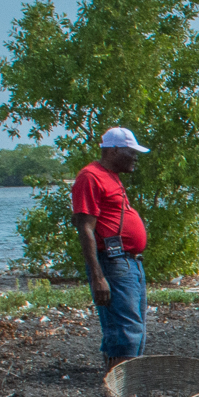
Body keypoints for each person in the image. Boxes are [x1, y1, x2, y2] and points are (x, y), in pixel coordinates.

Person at [71, 127, 152, 370]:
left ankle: (117, 384)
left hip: (130, 262)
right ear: (114, 150)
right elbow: (84, 227)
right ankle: (123, 388)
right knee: (125, 330)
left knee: (133, 327)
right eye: (131, 151)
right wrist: (98, 277)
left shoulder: (110, 176)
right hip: (113, 262)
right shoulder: (90, 176)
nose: (135, 157)